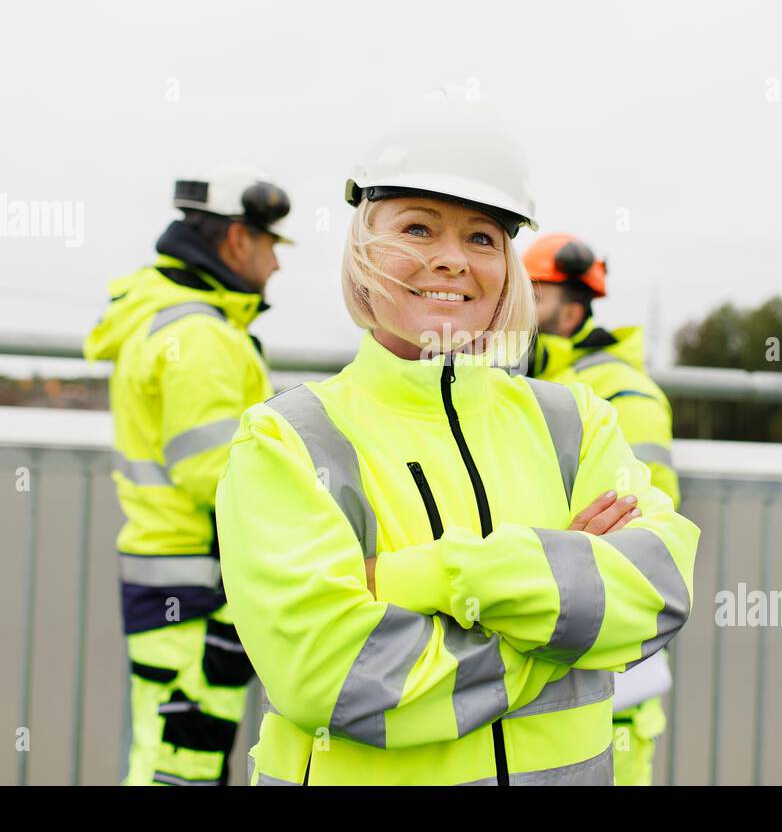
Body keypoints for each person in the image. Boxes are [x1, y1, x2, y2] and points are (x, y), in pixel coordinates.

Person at [216, 87, 699, 785]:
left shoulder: (578, 421)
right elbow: (336, 677)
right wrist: (564, 625)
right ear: (362, 250)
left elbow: (659, 591)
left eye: (482, 236)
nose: (452, 259)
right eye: (417, 228)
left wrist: (430, 579)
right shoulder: (287, 442)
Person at [83, 165, 292, 785]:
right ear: (237, 241)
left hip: (178, 577)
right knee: (179, 764)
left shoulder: (177, 320)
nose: (276, 266)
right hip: (194, 586)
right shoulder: (199, 335)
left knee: (176, 758)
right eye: (271, 246)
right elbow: (215, 472)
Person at [522, 232, 680, 786]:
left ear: (569, 308)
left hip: (611, 687)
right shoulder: (538, 384)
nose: (519, 310)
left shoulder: (621, 393)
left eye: (533, 296)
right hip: (552, 664)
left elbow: (635, 543)